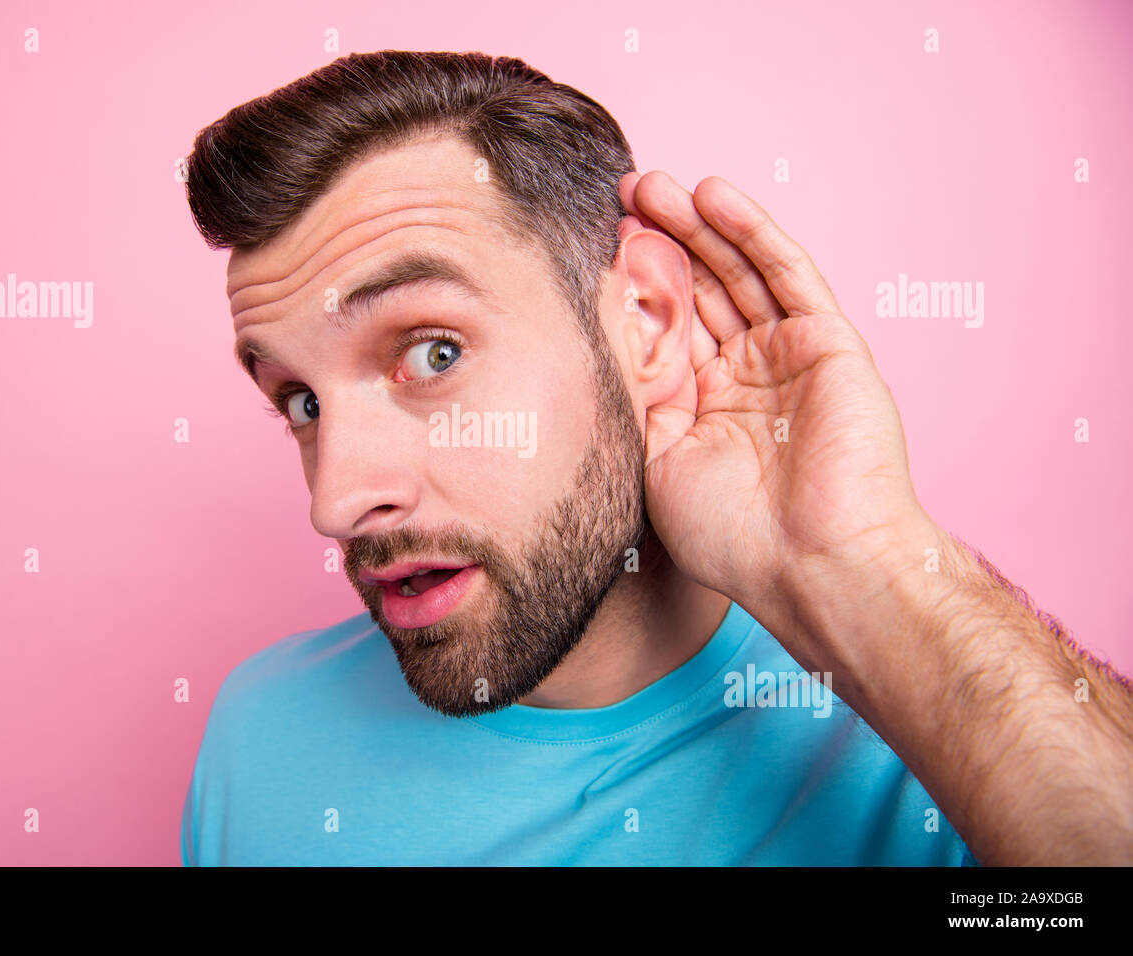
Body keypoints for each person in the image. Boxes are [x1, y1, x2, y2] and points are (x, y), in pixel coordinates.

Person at [179, 50, 1133, 865]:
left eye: (433, 352)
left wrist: (865, 563)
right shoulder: (259, 739)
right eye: (299, 401)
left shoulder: (950, 747)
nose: (338, 500)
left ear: (645, 319)